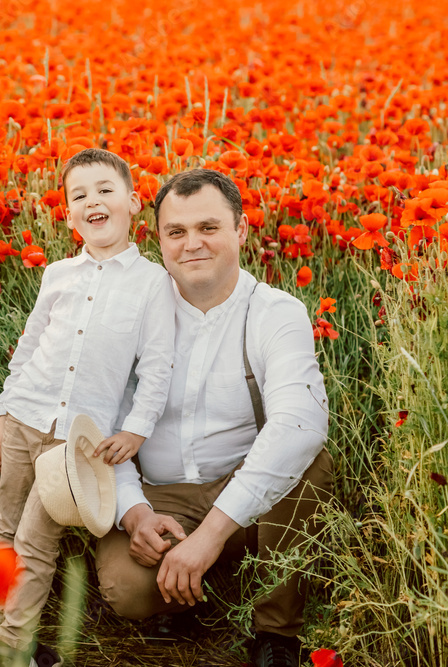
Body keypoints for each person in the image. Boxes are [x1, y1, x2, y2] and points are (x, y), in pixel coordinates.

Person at [95, 168, 333, 667]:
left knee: (310, 463)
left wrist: (210, 535)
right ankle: (182, 593)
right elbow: (100, 421)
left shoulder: (275, 312)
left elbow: (299, 423)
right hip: (160, 494)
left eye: (209, 228)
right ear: (157, 238)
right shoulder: (130, 315)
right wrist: (133, 512)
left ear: (241, 230)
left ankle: (275, 631)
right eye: (176, 232)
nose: (192, 245)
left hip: (246, 489)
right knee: (125, 589)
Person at [0, 148, 175, 663]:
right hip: (26, 417)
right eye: (79, 195)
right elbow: (29, 347)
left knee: (35, 543)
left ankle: (10, 650)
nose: (92, 201)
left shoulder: (154, 284)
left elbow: (157, 369)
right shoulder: (57, 275)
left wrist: (135, 430)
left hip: (74, 441)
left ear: (135, 203)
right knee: (4, 531)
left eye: (104, 190)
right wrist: (5, 416)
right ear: (68, 215)